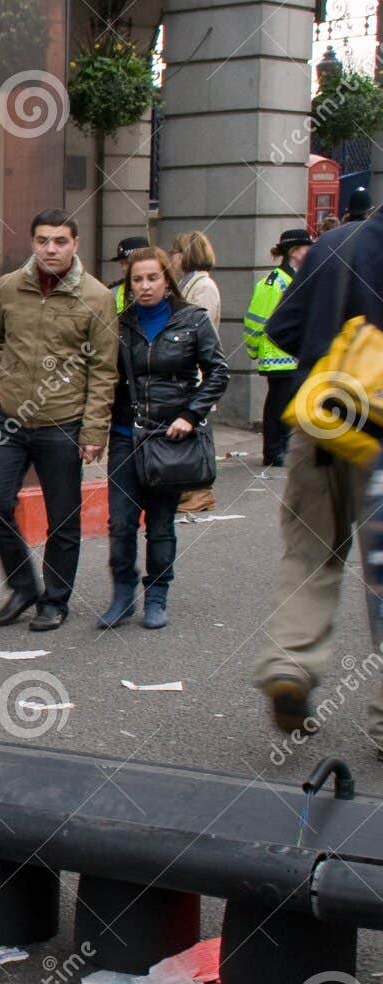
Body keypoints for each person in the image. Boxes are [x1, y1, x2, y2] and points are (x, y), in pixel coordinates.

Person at [253, 211, 383, 748]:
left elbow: (281, 326)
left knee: (309, 555)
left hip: (322, 419)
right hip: (379, 435)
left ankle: (290, 664)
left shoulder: (334, 243)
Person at [0, 209, 119, 632]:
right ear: (32, 243)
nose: (50, 249)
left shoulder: (96, 298)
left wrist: (94, 430)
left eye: (59, 241)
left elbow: (105, 370)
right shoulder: (9, 287)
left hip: (63, 422)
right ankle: (23, 586)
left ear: (75, 244)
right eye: (42, 241)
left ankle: (54, 601)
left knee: (63, 519)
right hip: (9, 419)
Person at [98, 248, 229, 630]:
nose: (144, 286)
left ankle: (157, 594)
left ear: (167, 280)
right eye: (136, 280)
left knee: (160, 524)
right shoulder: (119, 325)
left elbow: (218, 372)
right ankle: (122, 594)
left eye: (152, 278)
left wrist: (190, 415)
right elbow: (104, 377)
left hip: (170, 437)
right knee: (121, 523)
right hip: (126, 435)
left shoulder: (192, 321)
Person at [243, 228, 312, 467]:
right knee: (277, 407)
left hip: (294, 356)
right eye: (307, 247)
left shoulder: (299, 278)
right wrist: (255, 351)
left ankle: (284, 448)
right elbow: (255, 321)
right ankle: (273, 452)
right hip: (277, 357)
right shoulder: (273, 283)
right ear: (294, 251)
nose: (312, 251)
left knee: (290, 407)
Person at [169, 230, 223, 515]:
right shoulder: (189, 284)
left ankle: (201, 490)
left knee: (197, 432)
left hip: (197, 372)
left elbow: (198, 330)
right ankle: (190, 488)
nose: (172, 258)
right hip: (190, 371)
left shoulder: (203, 287)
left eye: (175, 252)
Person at [108, 235, 148, 313]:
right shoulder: (113, 292)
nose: (124, 268)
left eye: (128, 263)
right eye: (121, 263)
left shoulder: (163, 288)